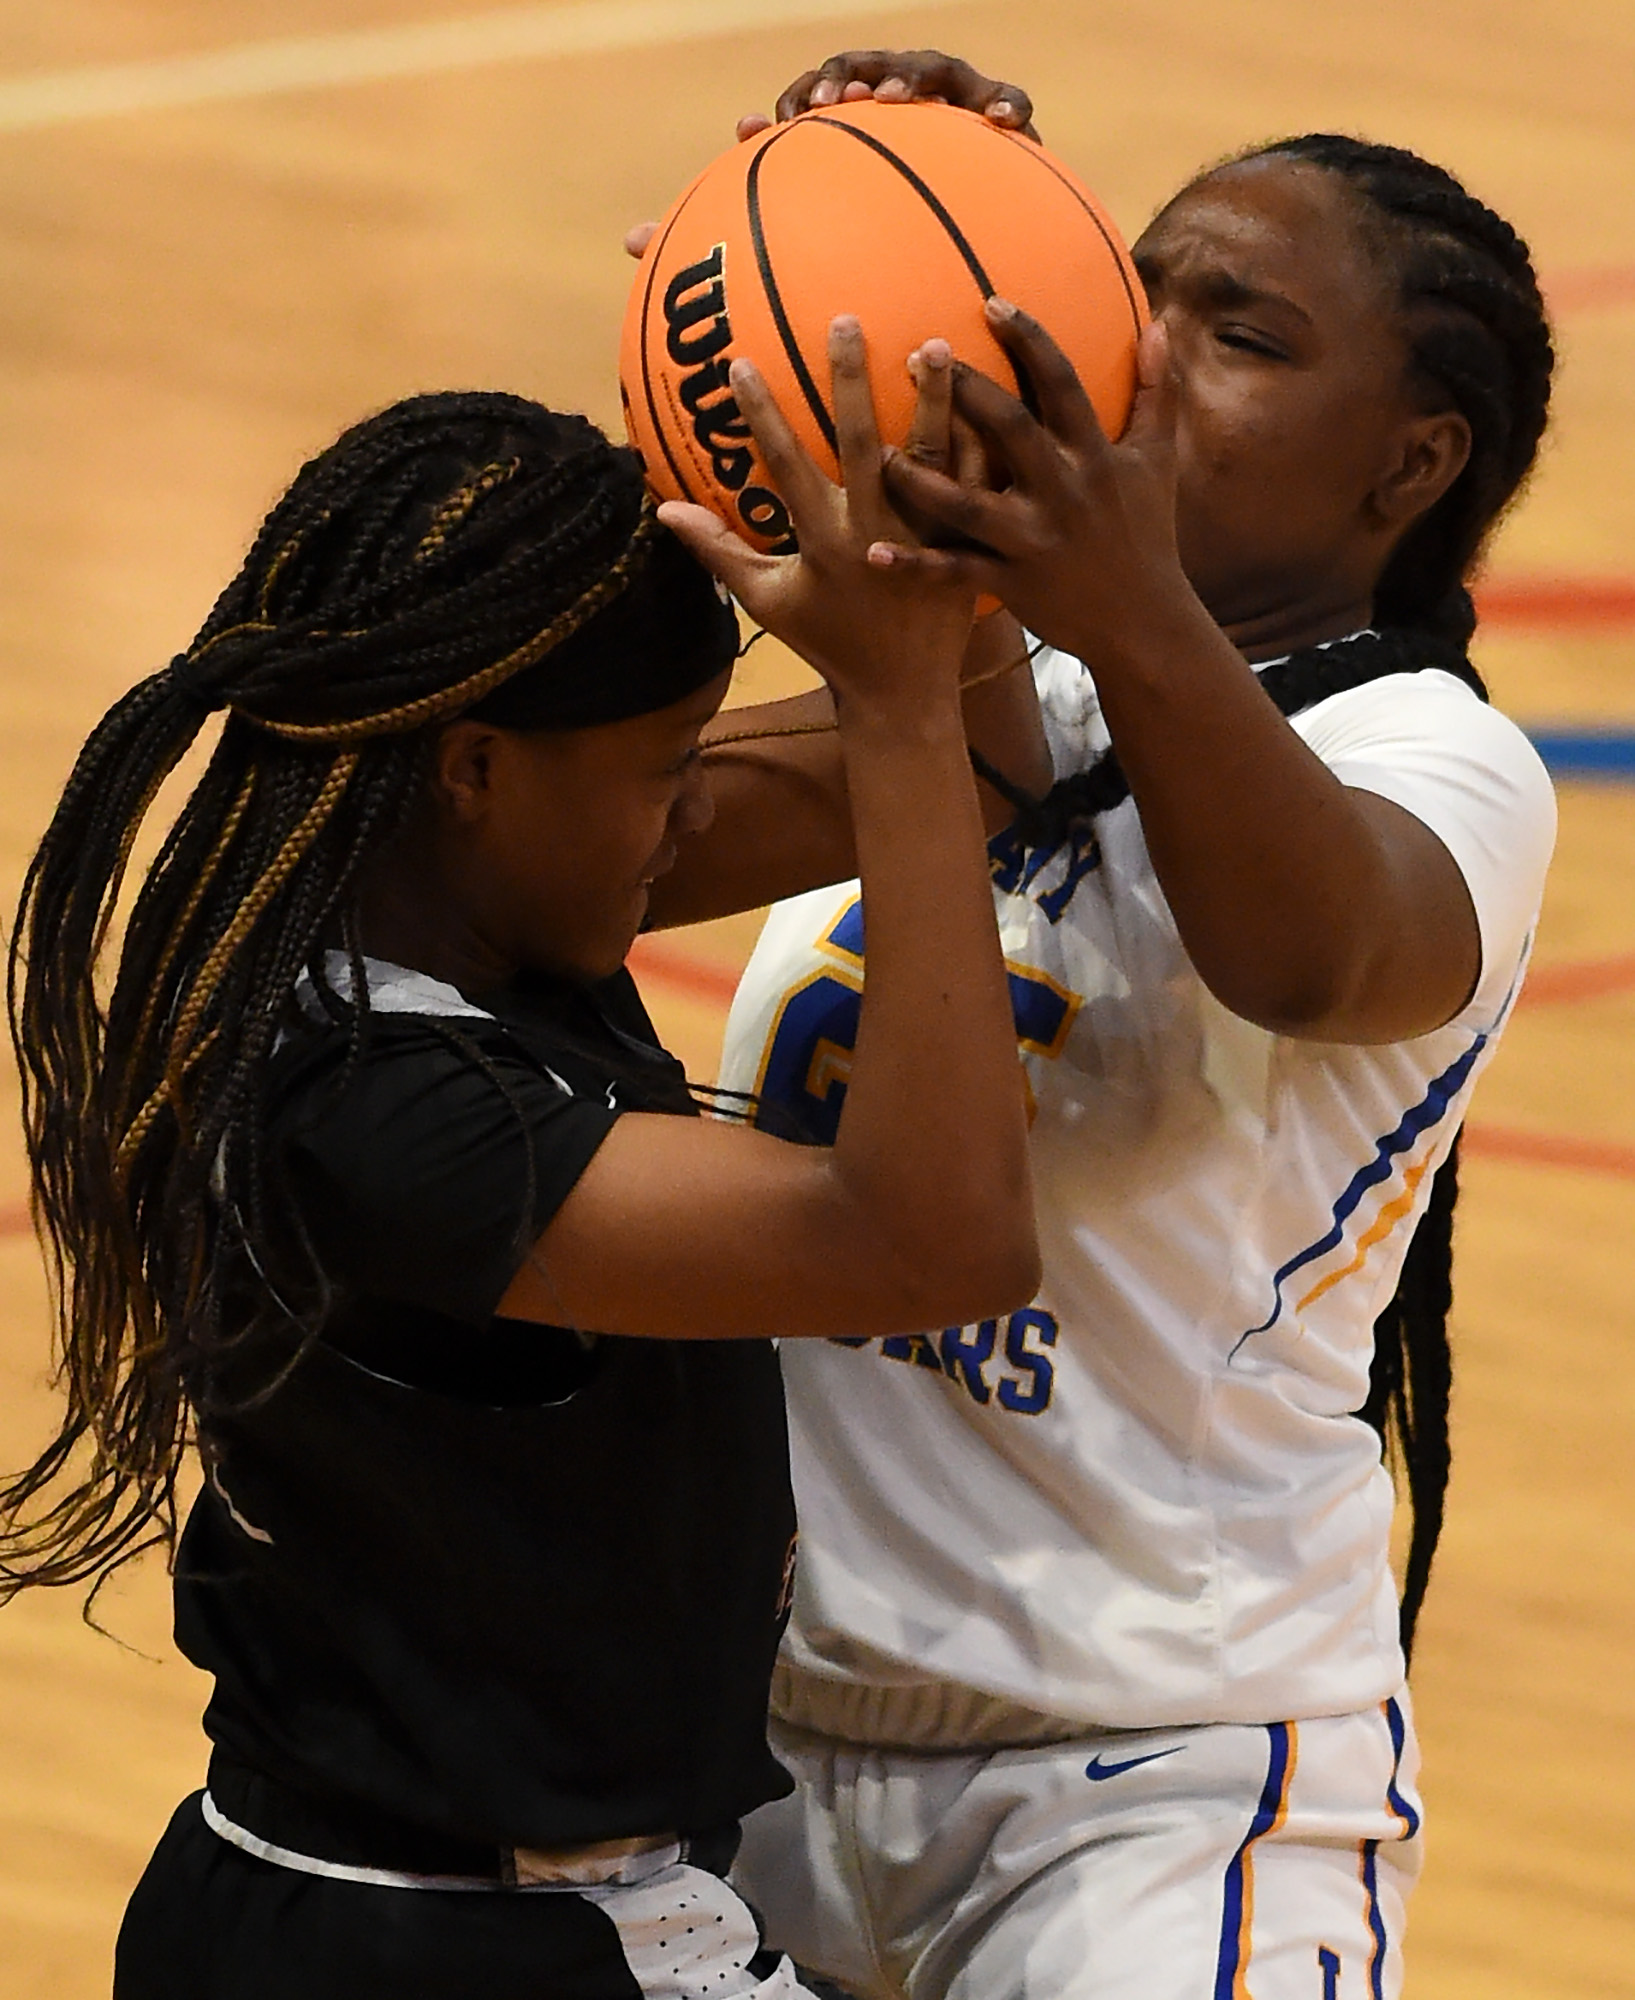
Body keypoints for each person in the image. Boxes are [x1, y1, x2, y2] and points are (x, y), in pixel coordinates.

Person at [638, 52, 1559, 2000]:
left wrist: (1093, 595)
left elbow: (1306, 955)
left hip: (1158, 1789)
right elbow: (607, 858)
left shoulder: (1434, 763)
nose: (1138, 349)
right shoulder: (966, 675)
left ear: (1404, 468)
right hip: (751, 1759)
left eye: (1236, 332)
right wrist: (776, 331)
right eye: (1129, 286)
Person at [0, 346, 1040, 1998]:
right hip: (437, 1946)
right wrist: (898, 699)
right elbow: (939, 1238)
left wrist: (909, 365)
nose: (680, 822)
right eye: (661, 775)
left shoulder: (433, 893)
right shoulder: (366, 1110)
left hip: (408, 1917)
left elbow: (981, 768)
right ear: (476, 766)